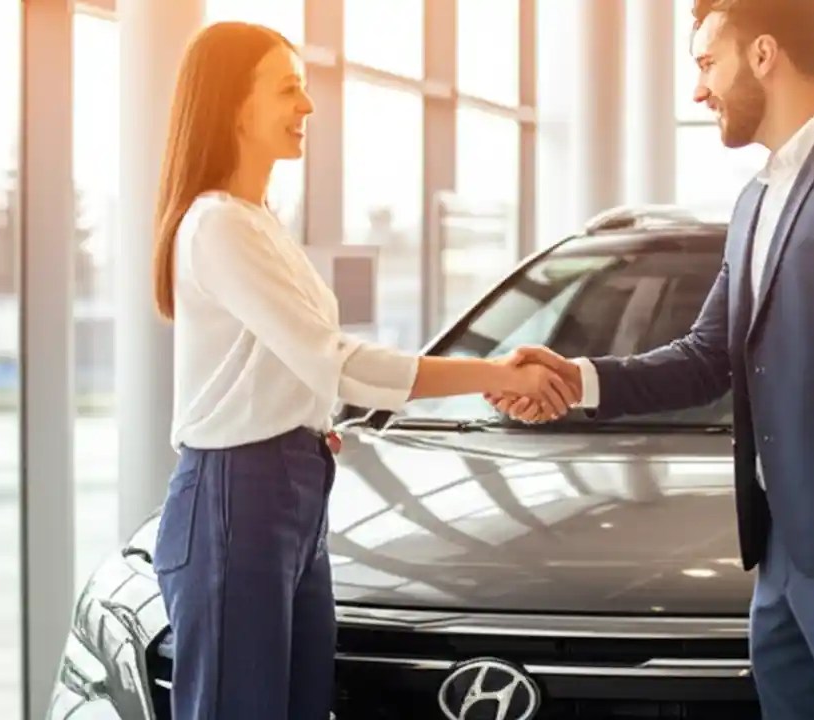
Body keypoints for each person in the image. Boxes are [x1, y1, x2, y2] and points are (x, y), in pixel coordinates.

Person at [491, 1, 814, 717]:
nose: (698, 90)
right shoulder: (753, 202)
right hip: (783, 559)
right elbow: (709, 357)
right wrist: (577, 379)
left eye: (708, 64)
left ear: (764, 54)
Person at [148, 22, 575, 720]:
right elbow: (337, 361)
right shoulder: (217, 225)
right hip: (240, 498)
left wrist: (308, 424)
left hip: (288, 487)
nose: (308, 106)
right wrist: (498, 373)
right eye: (288, 89)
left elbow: (294, 365)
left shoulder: (255, 222)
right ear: (233, 106)